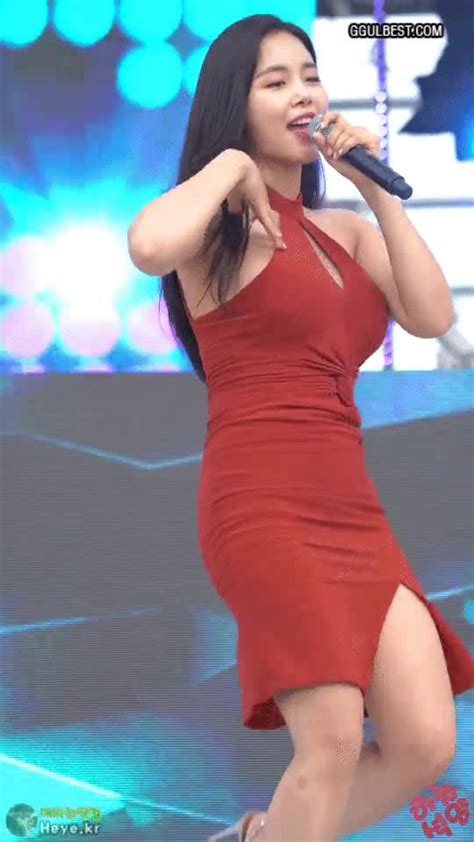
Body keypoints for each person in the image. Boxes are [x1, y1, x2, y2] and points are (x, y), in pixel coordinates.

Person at [128, 14, 474, 842]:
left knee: (424, 739)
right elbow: (147, 245)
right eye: (274, 81)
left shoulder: (347, 229)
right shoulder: (217, 229)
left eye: (310, 76)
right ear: (234, 105)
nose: (302, 94)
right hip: (262, 502)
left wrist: (374, 189)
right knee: (331, 741)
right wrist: (232, 168)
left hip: (349, 504)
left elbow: (430, 316)